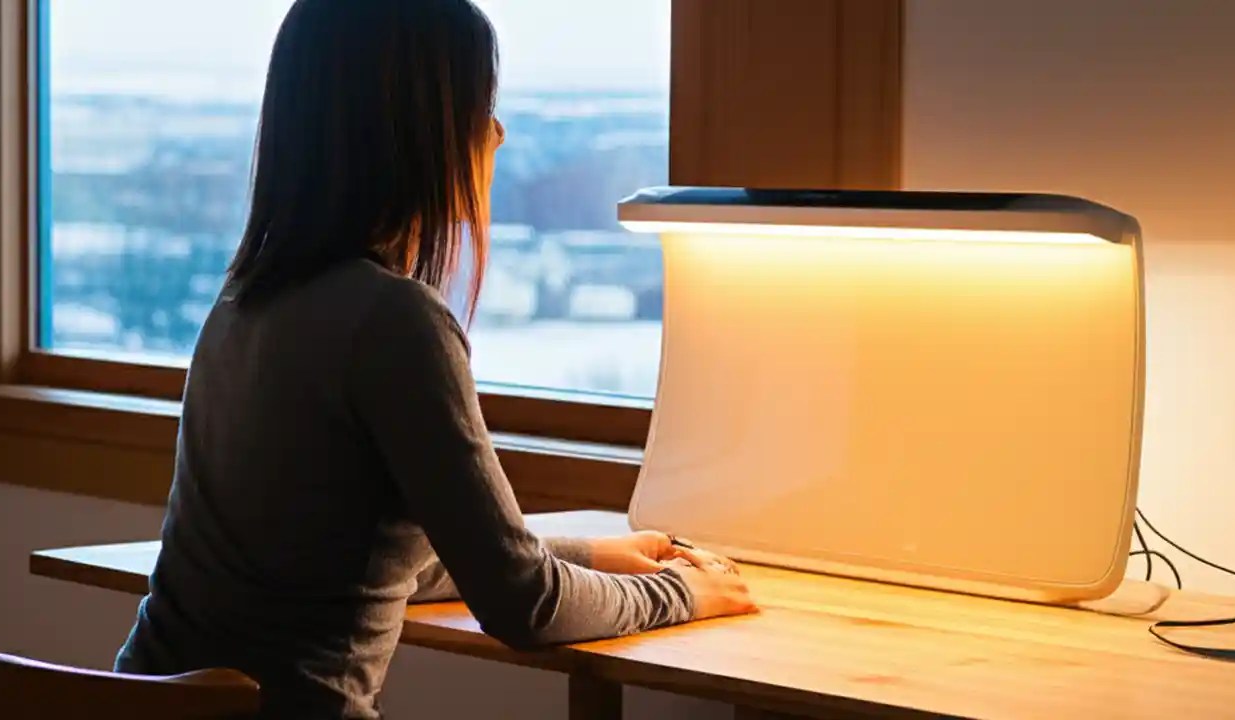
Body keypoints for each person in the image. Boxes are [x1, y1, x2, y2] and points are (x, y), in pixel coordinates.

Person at [113, 0, 756, 717]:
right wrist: (683, 594)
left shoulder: (243, 304)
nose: (497, 133)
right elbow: (524, 603)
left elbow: (384, 569)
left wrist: (595, 554)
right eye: (480, 106)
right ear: (415, 131)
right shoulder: (395, 323)